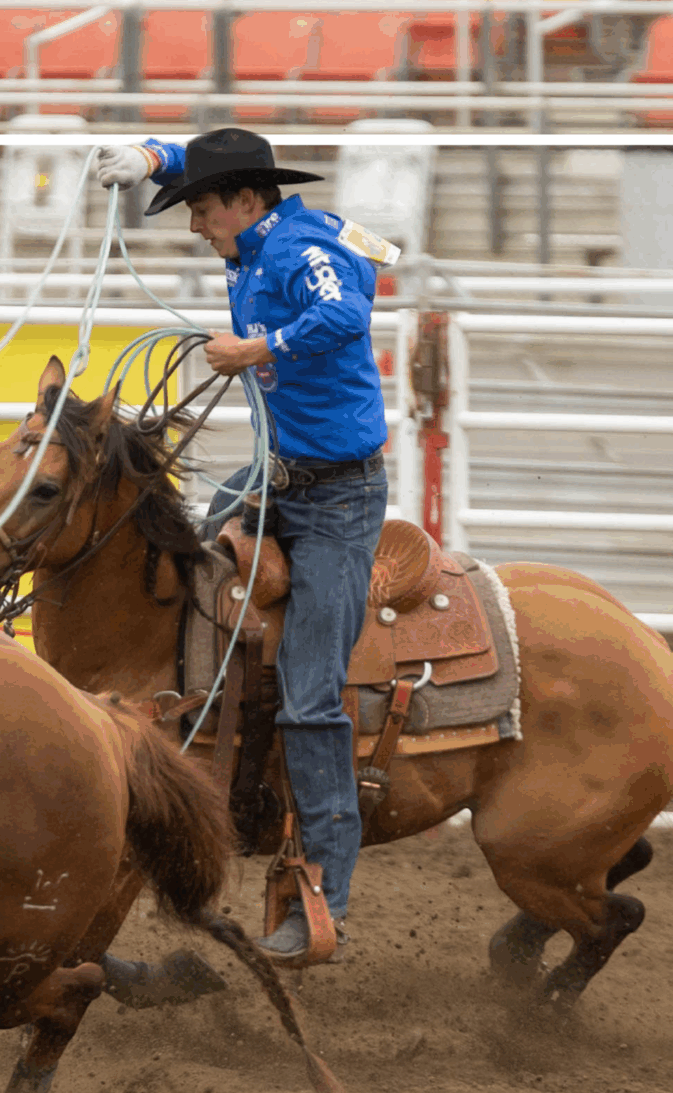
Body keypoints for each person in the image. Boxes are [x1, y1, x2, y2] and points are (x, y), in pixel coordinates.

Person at [95, 127, 392, 967]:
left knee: (310, 690)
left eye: (198, 209)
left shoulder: (301, 247)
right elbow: (198, 158)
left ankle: (324, 899)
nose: (192, 223)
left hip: (338, 498)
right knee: (178, 565)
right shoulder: (259, 233)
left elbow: (346, 310)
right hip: (278, 476)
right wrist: (152, 159)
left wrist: (259, 347)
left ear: (245, 202)